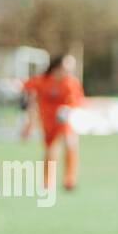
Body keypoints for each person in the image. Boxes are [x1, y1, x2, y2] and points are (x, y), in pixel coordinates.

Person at [22, 54, 85, 190]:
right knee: (50, 150)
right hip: (47, 120)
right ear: (57, 67)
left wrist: (67, 110)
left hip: (64, 119)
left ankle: (69, 179)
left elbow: (77, 101)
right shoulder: (43, 80)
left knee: (70, 142)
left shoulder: (71, 83)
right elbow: (25, 85)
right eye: (67, 67)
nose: (70, 71)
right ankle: (47, 181)